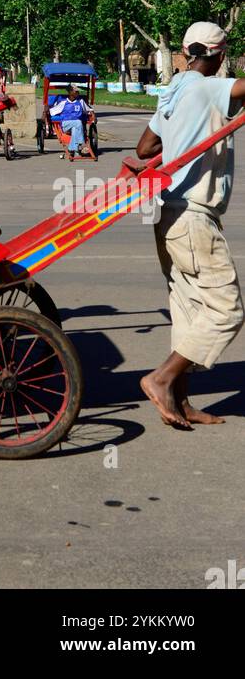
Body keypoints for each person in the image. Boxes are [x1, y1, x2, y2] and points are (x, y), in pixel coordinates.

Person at [135, 22, 245, 429]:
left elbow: (144, 147)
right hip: (195, 215)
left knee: (187, 307)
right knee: (227, 309)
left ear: (185, 51)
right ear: (217, 55)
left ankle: (180, 401)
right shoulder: (205, 86)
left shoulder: (174, 91)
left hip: (168, 212)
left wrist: (182, 136)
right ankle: (161, 379)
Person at [49, 86, 91, 160]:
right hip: (66, 125)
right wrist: (46, 111)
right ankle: (83, 145)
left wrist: (93, 115)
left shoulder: (81, 102)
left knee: (75, 129)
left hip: (77, 127)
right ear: (71, 92)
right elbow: (52, 111)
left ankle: (75, 151)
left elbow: (89, 110)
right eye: (76, 92)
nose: (78, 93)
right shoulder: (63, 103)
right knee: (78, 122)